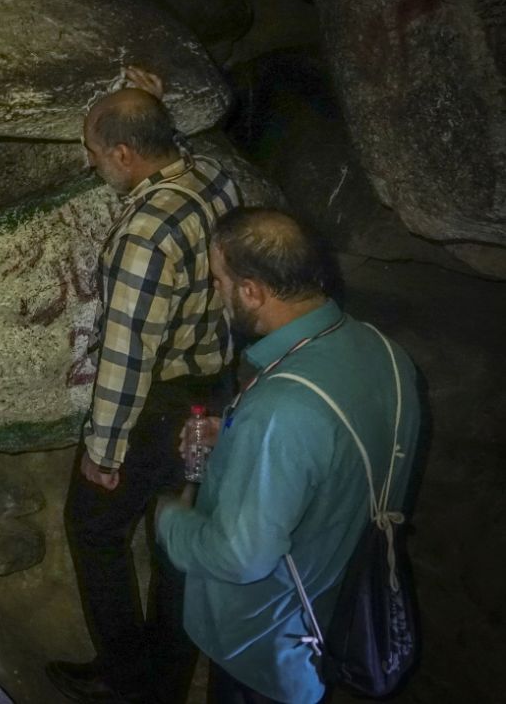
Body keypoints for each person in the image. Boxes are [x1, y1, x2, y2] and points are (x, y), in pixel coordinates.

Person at [155, 207, 422, 704]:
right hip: (341, 604)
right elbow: (330, 459)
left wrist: (169, 521)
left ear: (252, 291)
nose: (215, 292)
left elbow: (240, 556)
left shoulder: (281, 407)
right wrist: (237, 439)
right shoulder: (385, 352)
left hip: (270, 650)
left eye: (218, 281)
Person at [48, 67, 242, 704]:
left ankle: (125, 673)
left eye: (97, 151)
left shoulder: (144, 238)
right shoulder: (214, 176)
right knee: (176, 532)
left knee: (93, 527)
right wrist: (148, 104)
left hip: (159, 406)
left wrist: (104, 452)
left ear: (126, 154)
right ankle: (167, 679)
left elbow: (127, 355)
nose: (91, 161)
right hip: (213, 392)